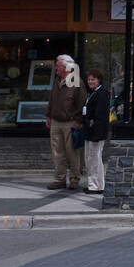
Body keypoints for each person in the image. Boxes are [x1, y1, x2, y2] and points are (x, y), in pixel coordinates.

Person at [44, 54, 86, 190]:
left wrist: (79, 120)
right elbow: (52, 99)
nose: (56, 67)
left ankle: (74, 179)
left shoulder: (77, 82)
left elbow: (82, 103)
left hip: (70, 122)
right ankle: (59, 179)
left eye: (58, 65)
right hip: (56, 121)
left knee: (72, 152)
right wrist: (49, 116)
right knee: (57, 152)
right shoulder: (57, 80)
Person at [82, 67, 110, 194]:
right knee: (90, 158)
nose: (90, 82)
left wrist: (97, 134)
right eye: (88, 79)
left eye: (93, 79)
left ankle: (97, 186)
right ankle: (92, 184)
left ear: (99, 80)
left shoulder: (102, 94)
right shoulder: (93, 93)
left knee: (95, 159)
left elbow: (101, 116)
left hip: (96, 132)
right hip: (90, 131)